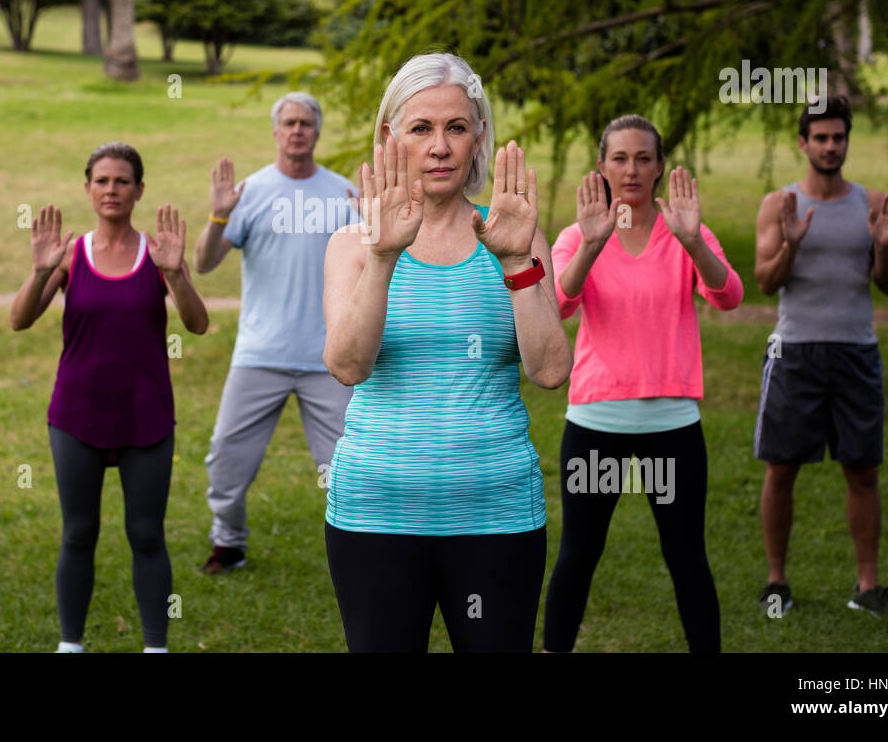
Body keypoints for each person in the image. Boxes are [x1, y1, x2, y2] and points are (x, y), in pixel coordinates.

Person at [321, 52, 572, 653]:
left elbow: (551, 369)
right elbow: (348, 366)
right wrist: (383, 257)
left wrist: (515, 262)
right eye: (421, 128)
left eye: (456, 128)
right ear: (391, 137)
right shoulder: (353, 246)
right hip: (377, 512)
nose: (440, 146)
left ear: (478, 136)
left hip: (495, 511)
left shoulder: (516, 235)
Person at [542, 114, 743, 653]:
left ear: (659, 167)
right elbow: (558, 305)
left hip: (672, 425)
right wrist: (590, 245)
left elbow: (729, 296)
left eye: (643, 158)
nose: (631, 169)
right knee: (578, 555)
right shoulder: (577, 234)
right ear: (602, 166)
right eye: (620, 158)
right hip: (595, 424)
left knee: (686, 556)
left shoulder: (683, 229)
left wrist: (693, 242)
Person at [10, 142, 208, 653]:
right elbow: (19, 319)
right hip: (77, 416)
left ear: (139, 190)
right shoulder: (70, 255)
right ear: (88, 189)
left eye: (122, 181)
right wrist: (38, 272)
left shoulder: (156, 254)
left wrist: (176, 272)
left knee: (146, 535)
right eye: (102, 180)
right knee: (78, 534)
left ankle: (155, 645)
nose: (112, 189)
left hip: (146, 417)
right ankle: (70, 644)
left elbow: (198, 323)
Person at [753, 96, 888, 621]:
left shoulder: (875, 203)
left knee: (863, 471)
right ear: (804, 144)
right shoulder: (781, 204)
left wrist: (885, 248)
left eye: (837, 137)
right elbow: (764, 280)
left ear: (847, 141)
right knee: (782, 468)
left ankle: (867, 587)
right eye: (819, 137)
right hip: (796, 353)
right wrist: (792, 246)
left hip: (856, 353)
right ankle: (777, 582)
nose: (829, 146)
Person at [194, 92, 357, 574]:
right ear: (276, 131)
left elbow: (379, 269)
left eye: (306, 122)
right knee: (227, 456)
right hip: (260, 354)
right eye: (289, 122)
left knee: (345, 468)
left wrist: (375, 221)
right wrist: (218, 214)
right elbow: (203, 264)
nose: (297, 130)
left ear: (317, 131)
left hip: (328, 357)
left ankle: (357, 549)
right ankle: (228, 544)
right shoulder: (250, 192)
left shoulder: (345, 194)